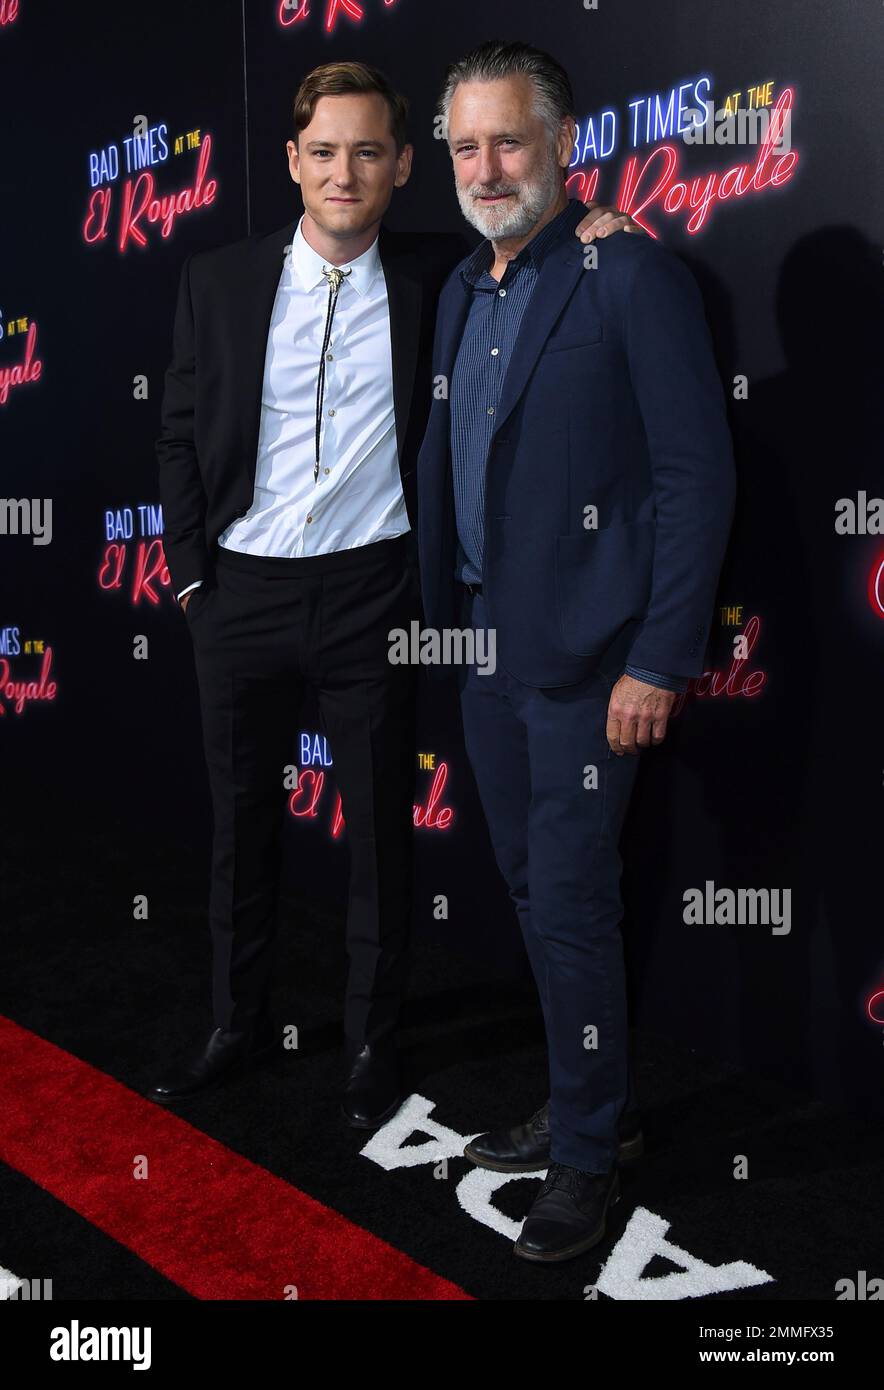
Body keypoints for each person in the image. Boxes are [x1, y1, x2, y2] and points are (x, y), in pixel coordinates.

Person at [151, 59, 636, 1127]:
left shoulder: (442, 277)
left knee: (379, 832)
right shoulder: (217, 280)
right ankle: (235, 1026)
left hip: (377, 597)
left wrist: (601, 223)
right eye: (323, 151)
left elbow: (535, 234)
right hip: (239, 596)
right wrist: (192, 577)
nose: (344, 172)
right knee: (241, 830)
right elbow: (180, 432)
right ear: (291, 161)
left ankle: (371, 1045)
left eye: (368, 152)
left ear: (402, 165)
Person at [417, 41, 736, 1261]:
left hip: (594, 665)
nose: (485, 168)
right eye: (463, 147)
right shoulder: (460, 291)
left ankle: (591, 1153)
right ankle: (581, 1092)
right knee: (532, 895)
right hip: (485, 647)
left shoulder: (626, 276)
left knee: (567, 902)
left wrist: (657, 659)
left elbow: (692, 475)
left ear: (561, 144)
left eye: (507, 141)